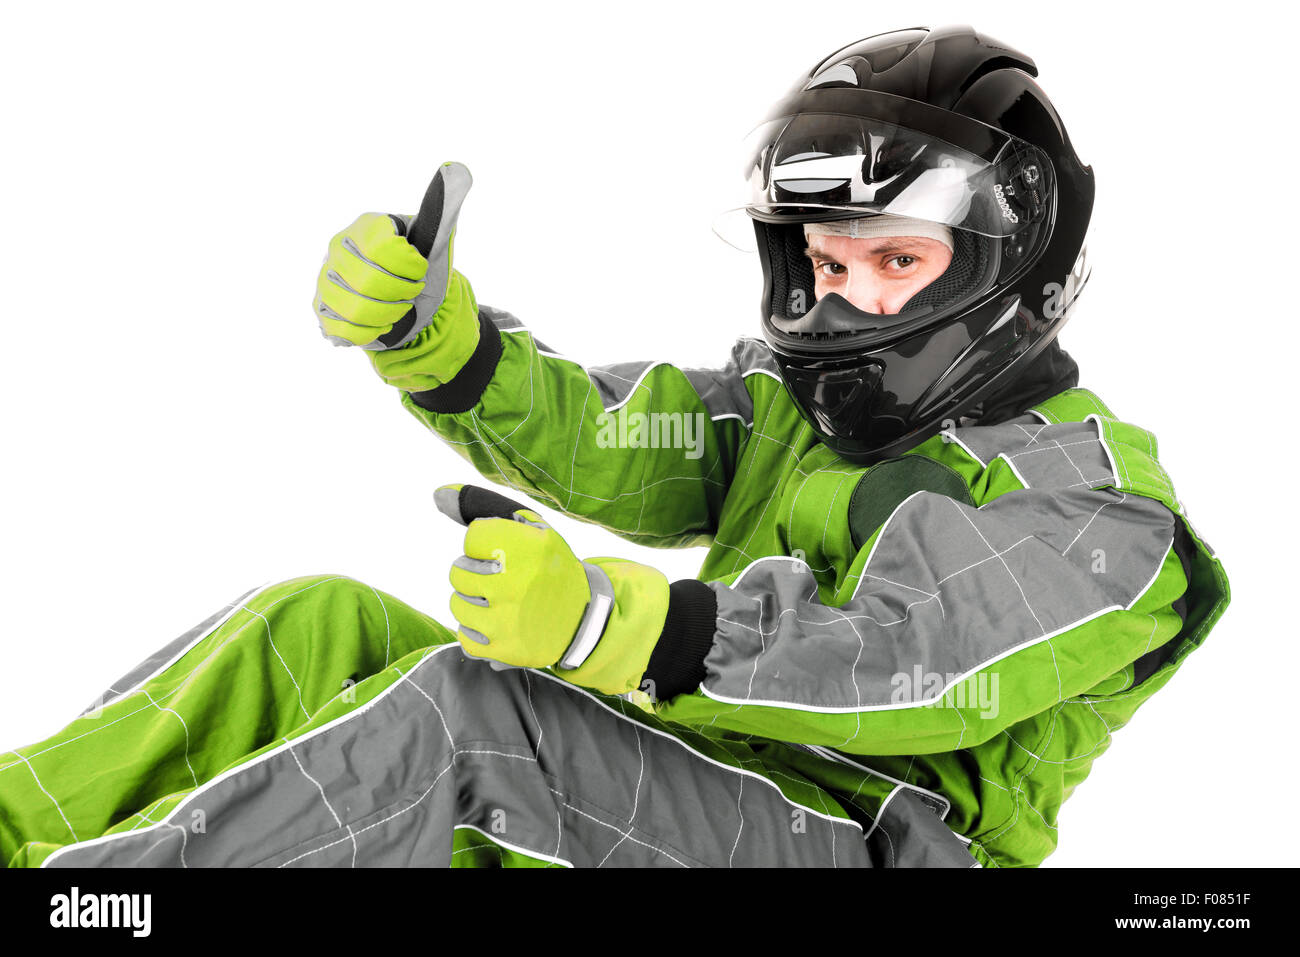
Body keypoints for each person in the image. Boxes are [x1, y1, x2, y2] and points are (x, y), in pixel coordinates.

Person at [0, 24, 1230, 868]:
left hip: (868, 840)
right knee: (313, 621)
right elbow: (625, 436)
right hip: (700, 773)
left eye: (894, 262)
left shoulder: (1098, 518)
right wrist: (452, 347)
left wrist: (615, 630)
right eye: (821, 259)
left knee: (474, 715)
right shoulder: (797, 411)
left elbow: (904, 660)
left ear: (1016, 270)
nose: (843, 299)